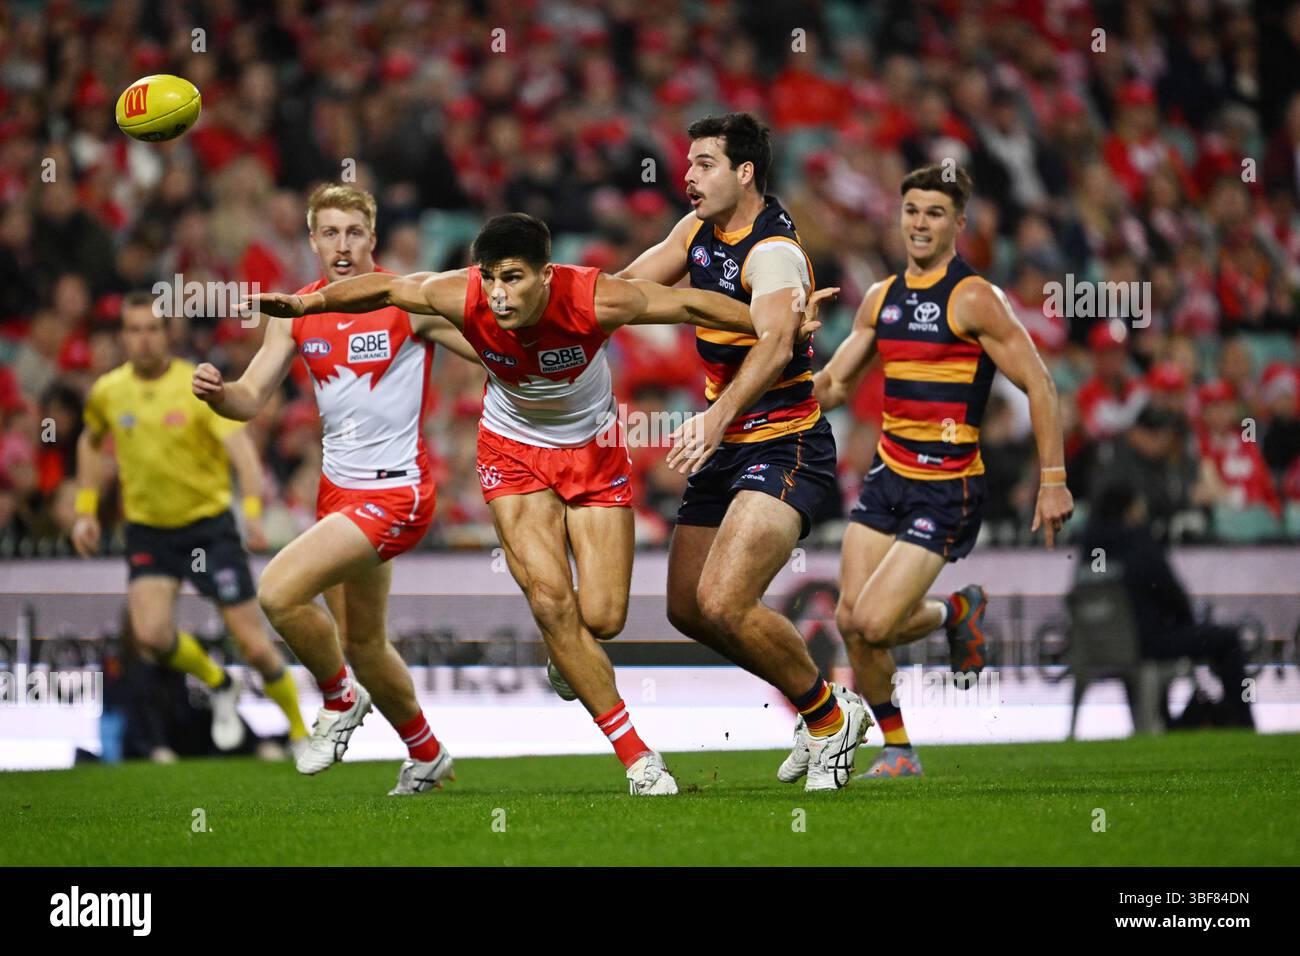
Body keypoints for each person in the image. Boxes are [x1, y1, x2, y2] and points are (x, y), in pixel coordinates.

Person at [245, 211, 790, 796]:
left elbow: (689, 306)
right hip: (512, 454)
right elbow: (384, 287)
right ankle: (638, 759)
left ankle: (570, 653)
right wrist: (307, 307)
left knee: (603, 618)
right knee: (551, 601)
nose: (499, 294)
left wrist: (781, 321)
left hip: (594, 452)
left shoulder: (596, 298)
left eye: (513, 278)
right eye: (491, 279)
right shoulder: (460, 294)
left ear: (546, 275)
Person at [194, 185, 480, 796]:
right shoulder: (295, 310)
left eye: (354, 232)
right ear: (313, 241)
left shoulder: (408, 300)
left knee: (276, 591)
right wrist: (222, 395)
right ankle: (427, 755)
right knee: (365, 642)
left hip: (397, 494)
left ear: (372, 239)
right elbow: (250, 396)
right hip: (338, 496)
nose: (343, 245)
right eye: (330, 233)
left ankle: (337, 699)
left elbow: (489, 347)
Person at [618, 112, 872, 791]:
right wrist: (554, 306)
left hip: (784, 443)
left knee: (727, 600)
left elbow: (776, 343)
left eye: (703, 163)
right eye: (689, 162)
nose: (688, 175)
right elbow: (632, 291)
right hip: (726, 444)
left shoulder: (775, 252)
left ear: (745, 172)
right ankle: (824, 706)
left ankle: (827, 717)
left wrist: (716, 414)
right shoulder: (696, 231)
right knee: (687, 608)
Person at [809, 163, 1074, 778]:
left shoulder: (974, 297)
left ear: (958, 224)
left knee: (874, 621)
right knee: (851, 620)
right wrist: (784, 356)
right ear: (898, 218)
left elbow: (1039, 383)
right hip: (887, 476)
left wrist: (1053, 478)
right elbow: (835, 386)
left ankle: (955, 613)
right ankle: (899, 747)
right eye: (911, 211)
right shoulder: (881, 298)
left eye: (934, 213)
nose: (920, 223)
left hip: (946, 486)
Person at [73, 291, 307, 759]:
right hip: (149, 530)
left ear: (167, 335)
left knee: (255, 646)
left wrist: (254, 514)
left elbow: (242, 452)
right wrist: (85, 509)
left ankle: (301, 732)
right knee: (152, 636)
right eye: (134, 330)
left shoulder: (197, 384)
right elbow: (90, 441)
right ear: (123, 337)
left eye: (152, 330)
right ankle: (219, 683)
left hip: (209, 527)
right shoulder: (108, 391)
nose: (143, 340)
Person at [1079, 481, 1254, 729]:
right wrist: (1188, 623)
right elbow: (1170, 593)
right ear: (1129, 509)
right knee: (1226, 640)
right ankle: (1243, 723)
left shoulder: (1089, 548)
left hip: (1097, 646)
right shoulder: (1139, 540)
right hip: (1147, 642)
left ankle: (1165, 721)